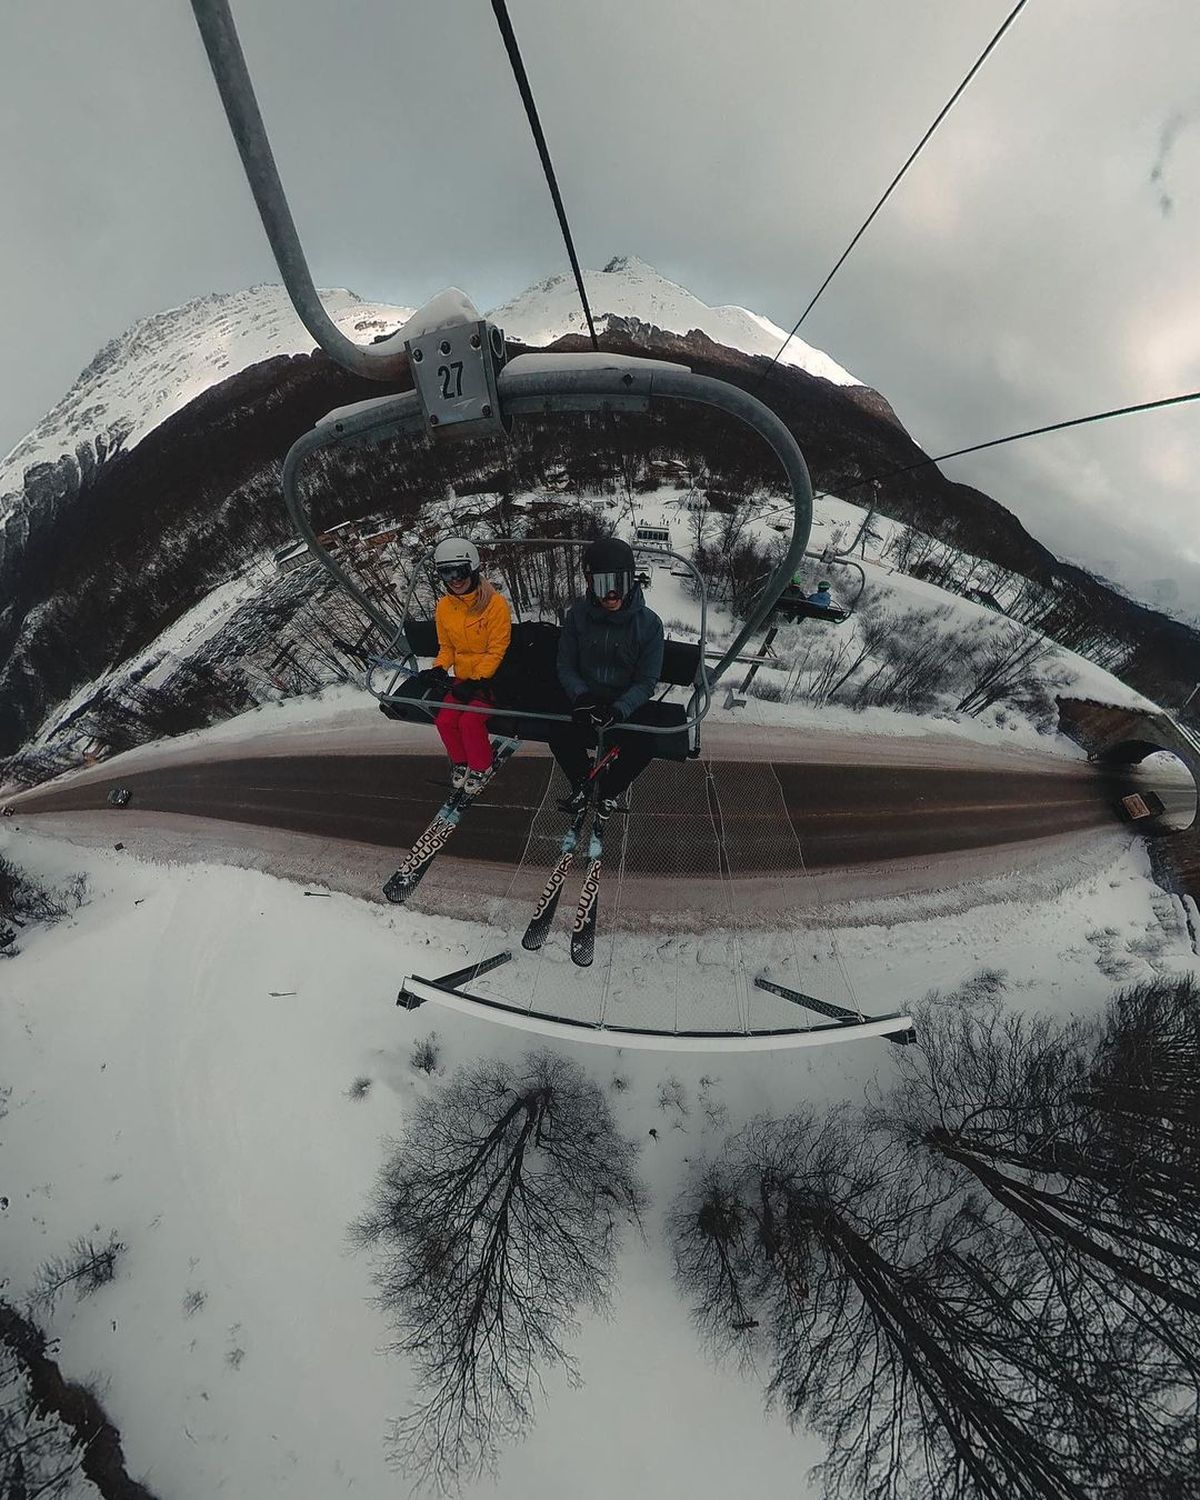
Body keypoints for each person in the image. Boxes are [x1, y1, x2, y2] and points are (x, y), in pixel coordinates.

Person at [549, 536, 665, 816]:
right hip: (588, 699)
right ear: (589, 583)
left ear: (630, 582)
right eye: (602, 586)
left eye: (618, 585)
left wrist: (621, 709)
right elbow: (566, 665)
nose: (611, 595)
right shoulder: (577, 617)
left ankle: (608, 790)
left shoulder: (648, 625)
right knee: (557, 729)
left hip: (623, 703)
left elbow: (646, 680)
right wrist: (582, 696)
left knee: (645, 743)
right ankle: (581, 781)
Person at [409, 536, 512, 796]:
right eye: (447, 573)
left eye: (460, 571)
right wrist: (440, 668)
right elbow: (447, 647)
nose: (455, 579)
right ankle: (462, 762)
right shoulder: (444, 607)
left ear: (474, 568)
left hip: (493, 681)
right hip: (463, 681)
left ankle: (482, 765)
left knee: (468, 722)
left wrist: (477, 680)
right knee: (445, 720)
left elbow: (497, 649)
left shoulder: (494, 604)